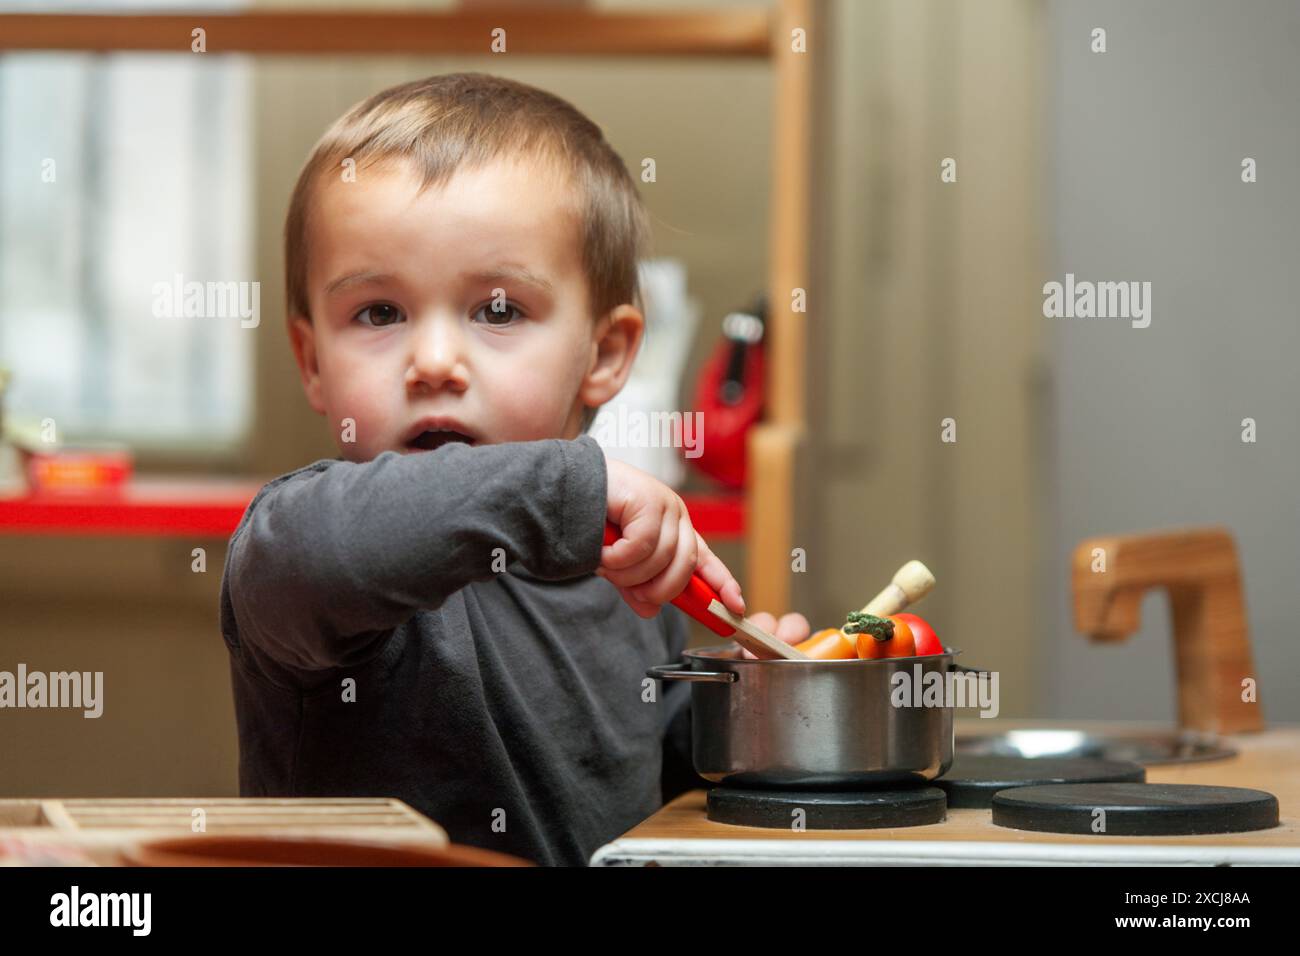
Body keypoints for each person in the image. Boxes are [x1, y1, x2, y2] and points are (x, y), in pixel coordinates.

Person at [219, 72, 808, 866]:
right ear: (311, 358)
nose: (432, 361)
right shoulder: (307, 546)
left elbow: (667, 798)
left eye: (498, 310)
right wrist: (571, 482)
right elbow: (320, 554)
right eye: (378, 313)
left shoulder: (627, 575)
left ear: (604, 354)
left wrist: (748, 719)